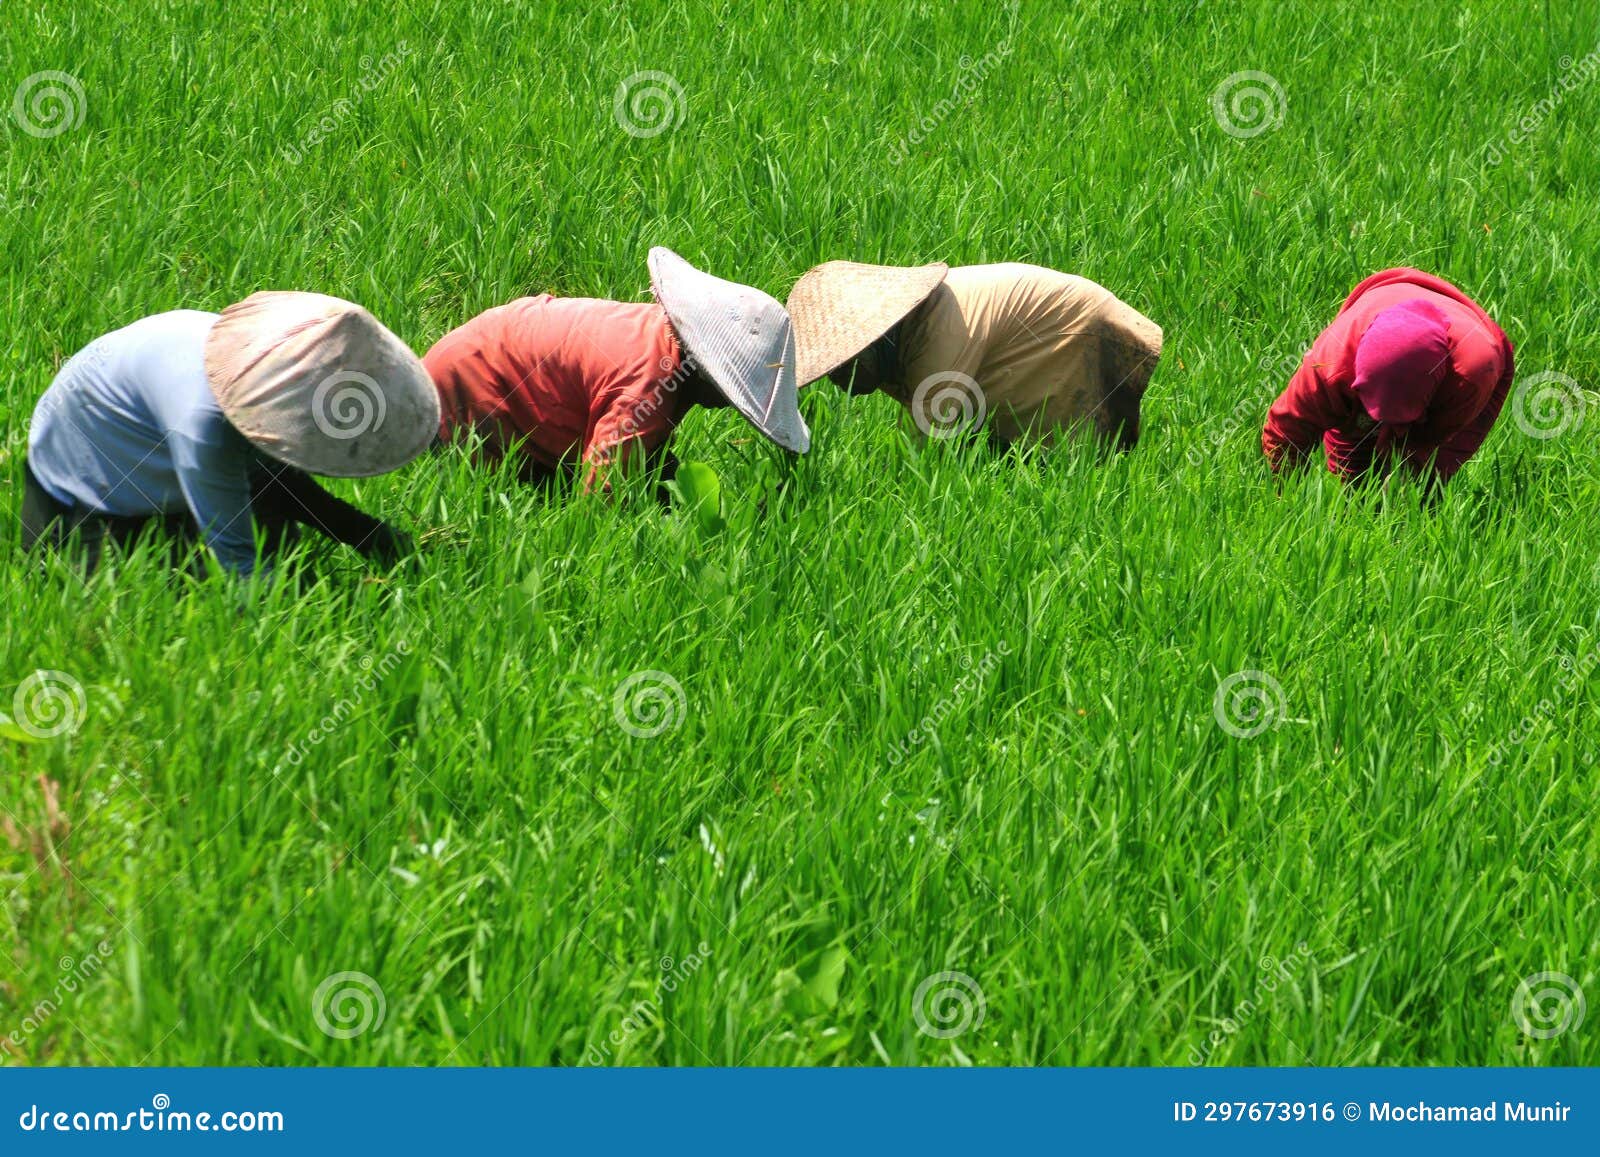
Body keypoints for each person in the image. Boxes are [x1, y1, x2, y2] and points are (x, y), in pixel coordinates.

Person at [22, 292, 439, 577]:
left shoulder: (259, 373)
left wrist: (377, 540)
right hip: (81, 492)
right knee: (139, 606)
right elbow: (240, 563)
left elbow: (276, 482)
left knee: (280, 542)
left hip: (166, 459)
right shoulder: (207, 422)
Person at [422, 247, 809, 493]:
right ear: (709, 373)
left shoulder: (661, 335)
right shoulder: (648, 389)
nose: (729, 405)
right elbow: (599, 496)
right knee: (537, 498)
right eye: (733, 391)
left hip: (478, 357)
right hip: (461, 400)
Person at [785, 260, 1162, 450]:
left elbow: (925, 446)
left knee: (1086, 452)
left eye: (846, 362)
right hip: (1063, 319)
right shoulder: (915, 330)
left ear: (875, 337)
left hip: (1081, 327)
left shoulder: (940, 334)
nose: (840, 378)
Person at [1261, 267, 1515, 487]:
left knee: (1426, 482)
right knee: (1351, 462)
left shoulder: (1471, 376)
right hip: (1383, 297)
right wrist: (1289, 499)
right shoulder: (1331, 363)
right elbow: (1284, 434)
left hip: (1474, 351)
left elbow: (1429, 444)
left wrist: (1404, 480)